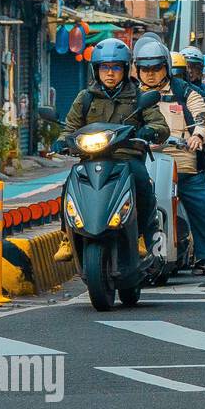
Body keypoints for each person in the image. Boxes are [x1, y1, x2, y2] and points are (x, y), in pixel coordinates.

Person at [52, 39, 170, 263]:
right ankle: (66, 237)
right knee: (69, 186)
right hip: (90, 158)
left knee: (143, 183)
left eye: (116, 67)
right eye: (104, 68)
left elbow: (160, 126)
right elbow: (70, 128)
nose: (110, 73)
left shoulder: (138, 95)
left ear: (125, 70)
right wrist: (60, 141)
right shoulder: (85, 97)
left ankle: (143, 236)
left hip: (126, 158)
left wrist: (150, 131)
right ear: (96, 70)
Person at [133, 40, 205, 284]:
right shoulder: (129, 93)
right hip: (139, 161)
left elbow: (203, 115)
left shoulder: (184, 91)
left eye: (156, 68)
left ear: (166, 67)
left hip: (182, 164)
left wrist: (199, 134)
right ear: (136, 69)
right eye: (144, 68)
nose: (150, 73)